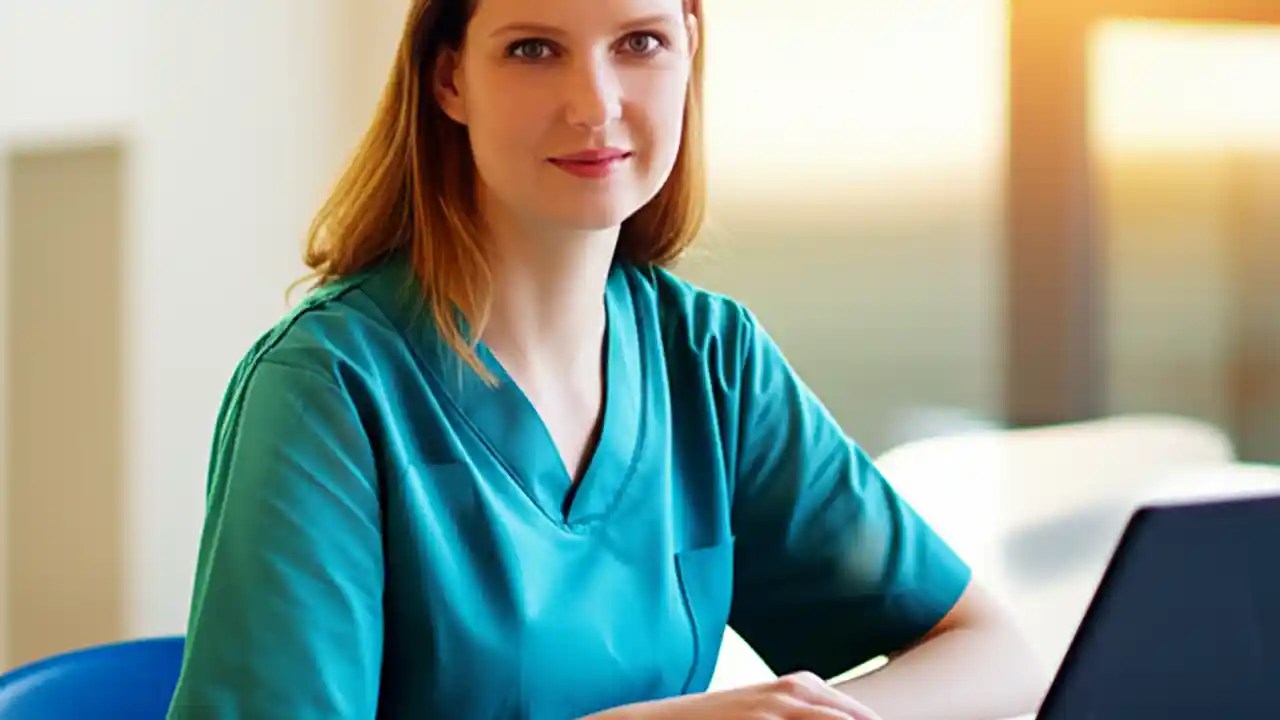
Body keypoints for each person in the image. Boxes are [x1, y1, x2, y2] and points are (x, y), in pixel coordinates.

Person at [166, 0, 1045, 717]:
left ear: (690, 49)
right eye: (534, 48)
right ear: (449, 78)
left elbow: (995, 653)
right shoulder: (326, 389)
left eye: (640, 43)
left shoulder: (706, 357)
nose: (595, 103)